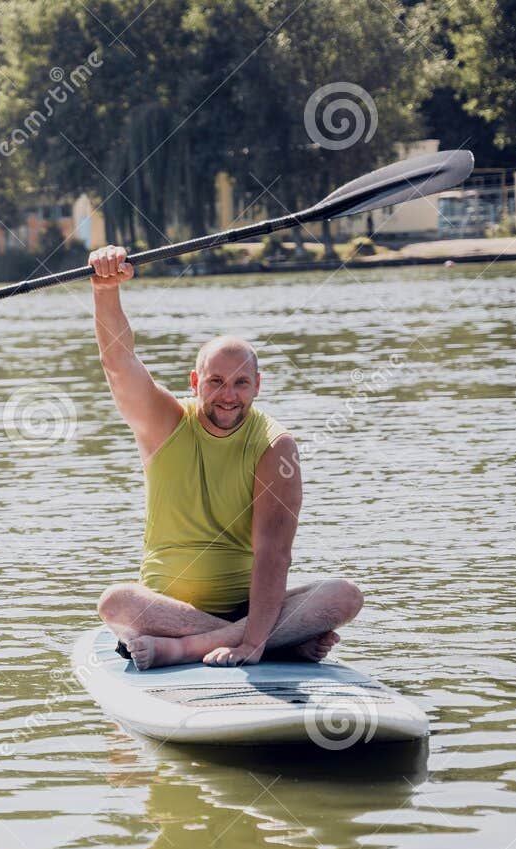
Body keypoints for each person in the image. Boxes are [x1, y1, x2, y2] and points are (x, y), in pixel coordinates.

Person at [89, 244, 364, 669]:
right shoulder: (164, 422)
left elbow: (274, 553)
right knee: (115, 603)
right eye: (216, 381)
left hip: (247, 611)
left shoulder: (275, 445)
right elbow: (118, 362)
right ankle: (279, 641)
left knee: (344, 595)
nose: (228, 395)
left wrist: (251, 640)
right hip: (164, 611)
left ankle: (186, 648)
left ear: (258, 385)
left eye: (240, 383)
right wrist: (106, 289)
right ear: (195, 381)